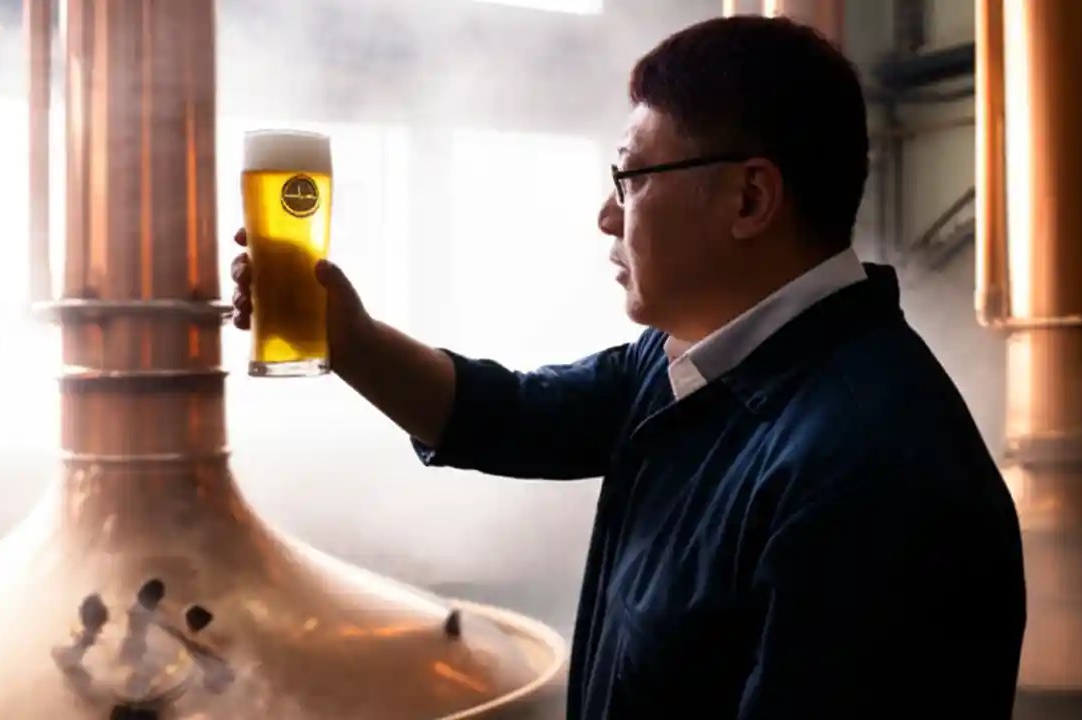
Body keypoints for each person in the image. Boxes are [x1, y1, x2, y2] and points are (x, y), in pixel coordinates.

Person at [231, 15, 1027, 720]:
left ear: (750, 199)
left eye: (631, 177)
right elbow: (511, 414)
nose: (607, 215)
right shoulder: (693, 361)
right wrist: (350, 341)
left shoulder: (869, 472)